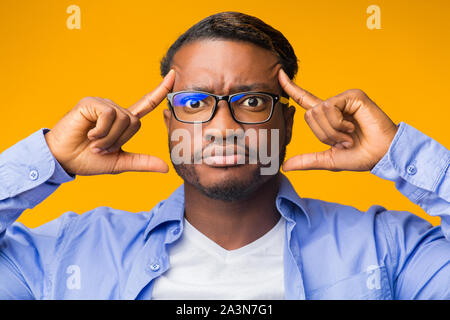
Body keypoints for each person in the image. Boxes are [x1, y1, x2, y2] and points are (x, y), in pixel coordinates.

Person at [0, 11, 448, 300]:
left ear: (287, 124)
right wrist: (50, 158)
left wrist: (398, 152)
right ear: (169, 124)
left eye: (252, 102)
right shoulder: (70, 253)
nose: (223, 128)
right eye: (194, 103)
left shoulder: (386, 249)